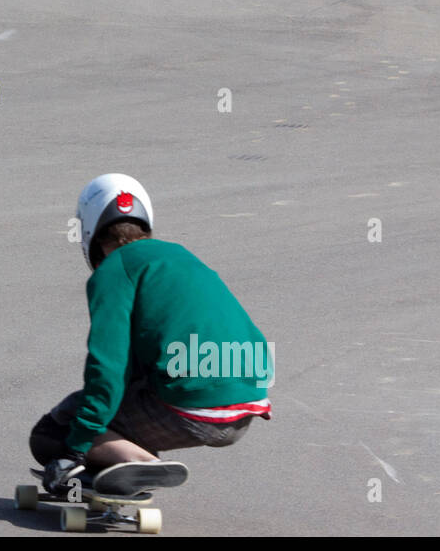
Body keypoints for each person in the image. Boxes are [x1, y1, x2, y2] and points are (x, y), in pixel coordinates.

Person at [31, 174, 272, 496]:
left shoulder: (115, 270)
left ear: (89, 228)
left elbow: (108, 366)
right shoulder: (179, 255)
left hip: (192, 405)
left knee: (54, 431)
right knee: (128, 395)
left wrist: (75, 447)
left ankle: (140, 463)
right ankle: (128, 462)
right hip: (247, 399)